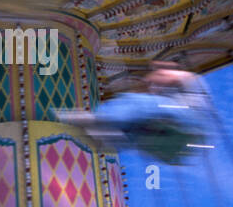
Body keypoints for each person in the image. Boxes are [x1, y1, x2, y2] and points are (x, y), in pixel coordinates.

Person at [54, 63, 208, 164]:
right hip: (179, 143)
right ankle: (111, 137)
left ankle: (101, 119)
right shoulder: (193, 90)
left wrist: (150, 79)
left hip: (184, 120)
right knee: (137, 131)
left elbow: (165, 76)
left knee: (136, 102)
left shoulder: (185, 77)